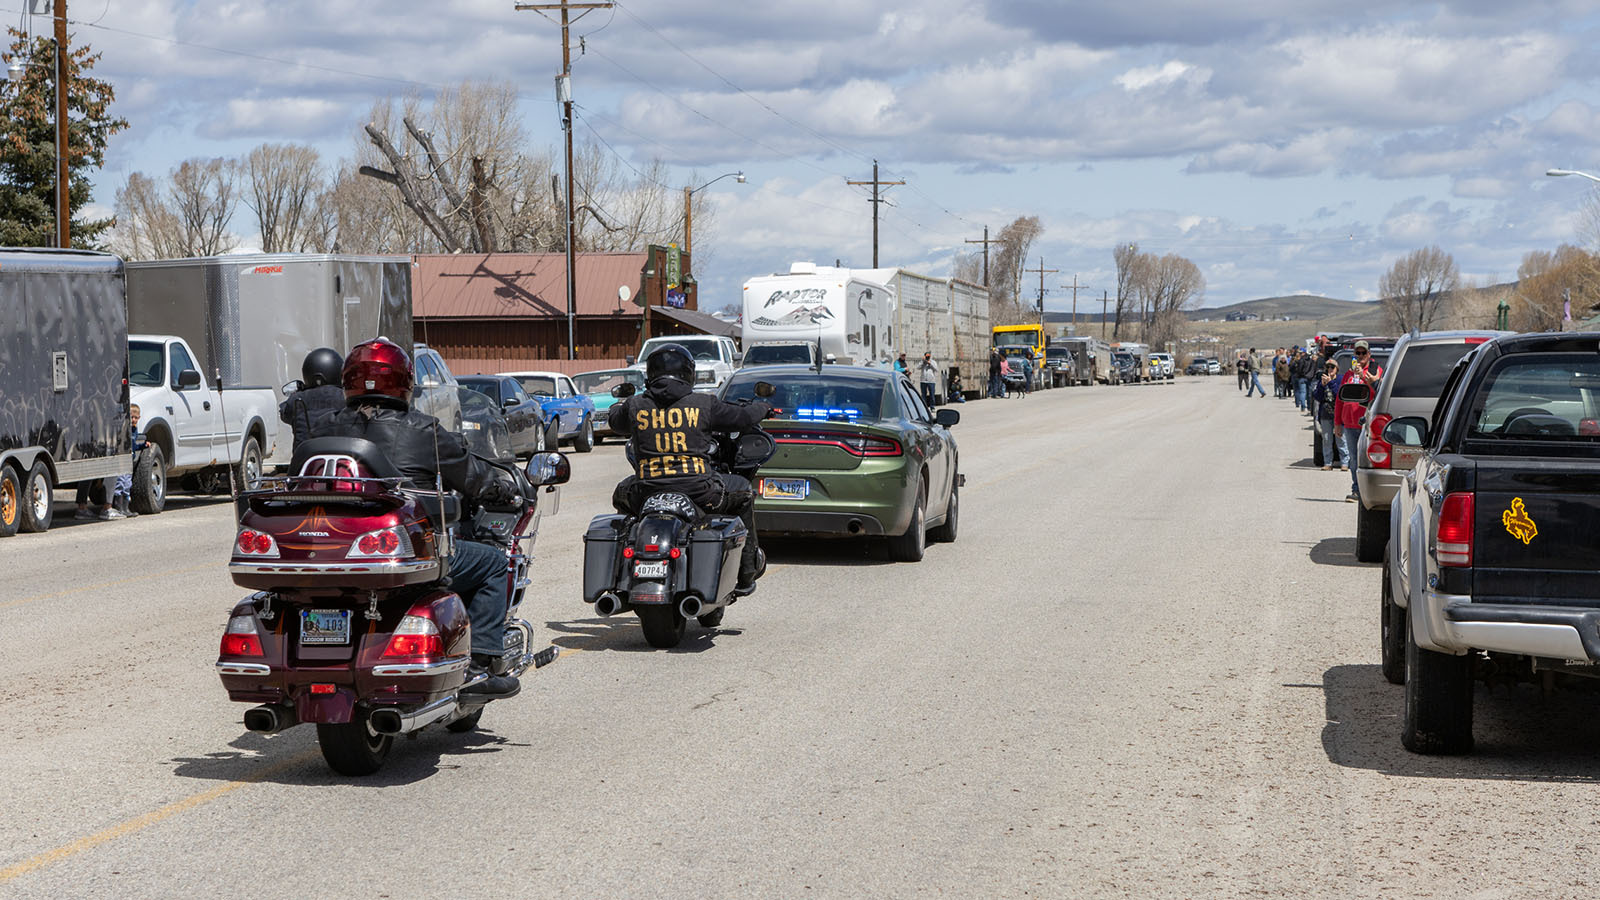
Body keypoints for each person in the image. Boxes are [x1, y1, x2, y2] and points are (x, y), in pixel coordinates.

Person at [310, 337, 522, 697]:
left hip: (333, 554)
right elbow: (473, 477)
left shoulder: (324, 429)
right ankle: (482, 666)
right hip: (402, 553)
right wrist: (503, 488)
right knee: (493, 563)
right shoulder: (424, 430)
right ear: (404, 382)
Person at [608, 343, 773, 593]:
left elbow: (615, 422)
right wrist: (763, 407)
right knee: (742, 490)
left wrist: (618, 407)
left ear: (650, 374)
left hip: (647, 492)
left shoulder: (635, 405)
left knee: (621, 493)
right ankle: (747, 572)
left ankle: (625, 562)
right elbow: (742, 418)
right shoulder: (704, 404)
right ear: (689, 374)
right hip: (700, 492)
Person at [1336, 340, 1384, 501]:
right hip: (1349, 423)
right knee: (1353, 459)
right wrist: (1337, 423)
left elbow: (1379, 393)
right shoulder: (1348, 374)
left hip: (1367, 423)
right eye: (1358, 353)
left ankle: (1369, 490)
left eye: (1364, 353)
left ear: (1369, 354)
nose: (1361, 356)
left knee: (1368, 459)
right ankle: (1356, 490)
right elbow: (1339, 399)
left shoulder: (1375, 371)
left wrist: (1364, 377)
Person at [279, 347, 346, 451]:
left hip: (305, 458)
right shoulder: (346, 396)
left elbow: (284, 413)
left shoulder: (297, 399)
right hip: (341, 456)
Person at [109, 404, 147, 518]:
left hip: (130, 459)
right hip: (123, 460)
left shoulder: (135, 430)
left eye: (136, 417)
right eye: (132, 417)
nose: (134, 420)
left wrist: (143, 445)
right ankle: (119, 506)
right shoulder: (125, 429)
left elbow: (133, 446)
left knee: (127, 483)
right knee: (120, 481)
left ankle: (126, 507)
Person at [1313, 359, 1342, 469]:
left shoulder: (1340, 379)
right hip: (1325, 414)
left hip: (1339, 414)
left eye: (1332, 367)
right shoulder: (1322, 381)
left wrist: (1331, 383)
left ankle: (1345, 463)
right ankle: (1328, 463)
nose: (1330, 369)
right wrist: (1322, 385)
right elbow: (1317, 397)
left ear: (1336, 369)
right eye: (1328, 367)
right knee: (1326, 439)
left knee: (1341, 439)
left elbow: (1339, 394)